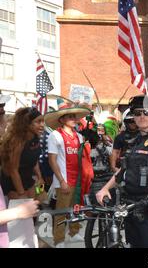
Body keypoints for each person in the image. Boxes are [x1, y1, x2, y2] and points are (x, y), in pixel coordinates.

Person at [96, 95, 148, 248]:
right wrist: (105, 188)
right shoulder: (135, 141)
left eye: (146, 112)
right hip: (130, 207)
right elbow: (123, 170)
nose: (142, 116)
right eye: (137, 113)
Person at [45, 105, 93, 248]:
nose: (74, 119)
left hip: (78, 180)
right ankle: (58, 240)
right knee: (61, 211)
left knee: (76, 208)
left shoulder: (78, 136)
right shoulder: (55, 135)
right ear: (62, 119)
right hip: (64, 180)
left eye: (75, 117)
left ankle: (74, 231)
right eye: (70, 117)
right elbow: (52, 160)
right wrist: (61, 180)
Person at [0, 107, 45, 200]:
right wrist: (21, 193)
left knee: (37, 204)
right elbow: (13, 170)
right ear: (27, 124)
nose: (42, 125)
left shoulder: (35, 137)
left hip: (28, 180)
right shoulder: (17, 141)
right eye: (38, 121)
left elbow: (34, 159)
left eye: (43, 121)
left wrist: (39, 177)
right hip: (13, 184)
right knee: (23, 211)